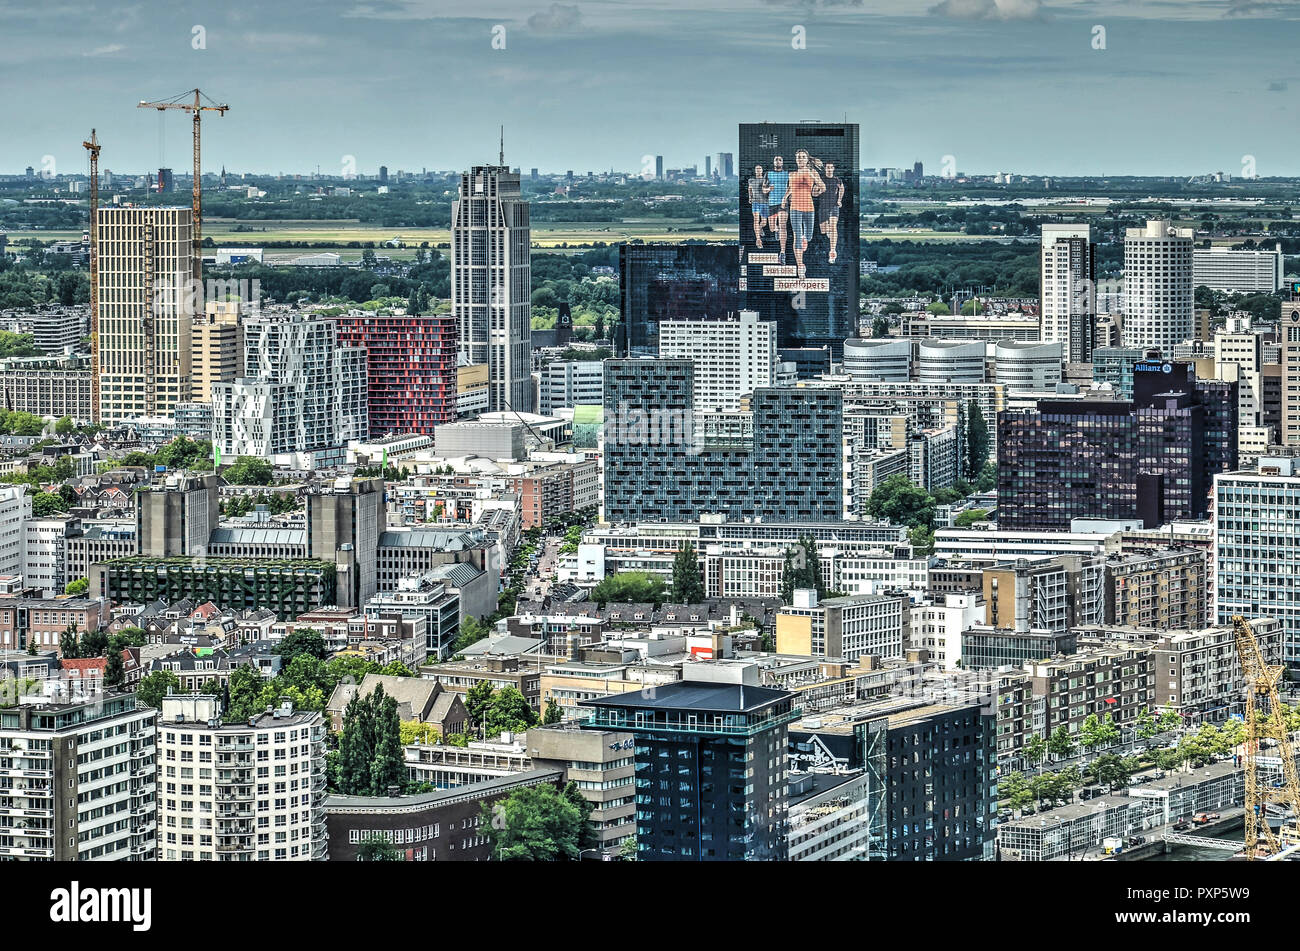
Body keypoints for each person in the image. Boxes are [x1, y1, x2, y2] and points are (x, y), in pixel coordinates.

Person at [782, 149, 825, 278]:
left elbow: (823, 187)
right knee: (797, 235)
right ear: (796, 160)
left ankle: (805, 239)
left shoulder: (812, 172)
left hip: (809, 208)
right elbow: (790, 188)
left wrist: (816, 190)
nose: (800, 159)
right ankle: (800, 265)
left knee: (808, 236)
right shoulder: (792, 174)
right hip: (794, 207)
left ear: (807, 159)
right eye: (798, 157)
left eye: (803, 157)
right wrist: (784, 198)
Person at [816, 160, 844, 264]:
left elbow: (842, 189)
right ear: (825, 169)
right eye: (827, 167)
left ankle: (832, 251)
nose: (829, 169)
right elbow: (814, 193)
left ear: (833, 169)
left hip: (834, 206)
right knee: (823, 231)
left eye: (831, 167)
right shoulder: (820, 180)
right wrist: (818, 191)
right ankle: (827, 230)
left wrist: (839, 200)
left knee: (833, 226)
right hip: (823, 207)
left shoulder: (837, 180)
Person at [766, 155, 790, 264]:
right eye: (776, 159)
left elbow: (792, 187)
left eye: (780, 159)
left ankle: (782, 253)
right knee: (771, 228)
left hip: (783, 203)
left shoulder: (787, 174)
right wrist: (767, 189)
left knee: (783, 225)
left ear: (783, 162)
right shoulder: (768, 174)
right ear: (773, 162)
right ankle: (776, 230)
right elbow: (763, 189)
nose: (778, 161)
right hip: (772, 203)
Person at [747, 165, 770, 248]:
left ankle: (760, 228)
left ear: (762, 170)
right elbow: (749, 189)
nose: (758, 170)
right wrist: (750, 197)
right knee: (756, 220)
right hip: (755, 202)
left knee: (764, 222)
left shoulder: (765, 180)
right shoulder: (751, 180)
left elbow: (768, 190)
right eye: (757, 168)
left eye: (760, 168)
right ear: (755, 170)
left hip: (765, 202)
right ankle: (758, 239)